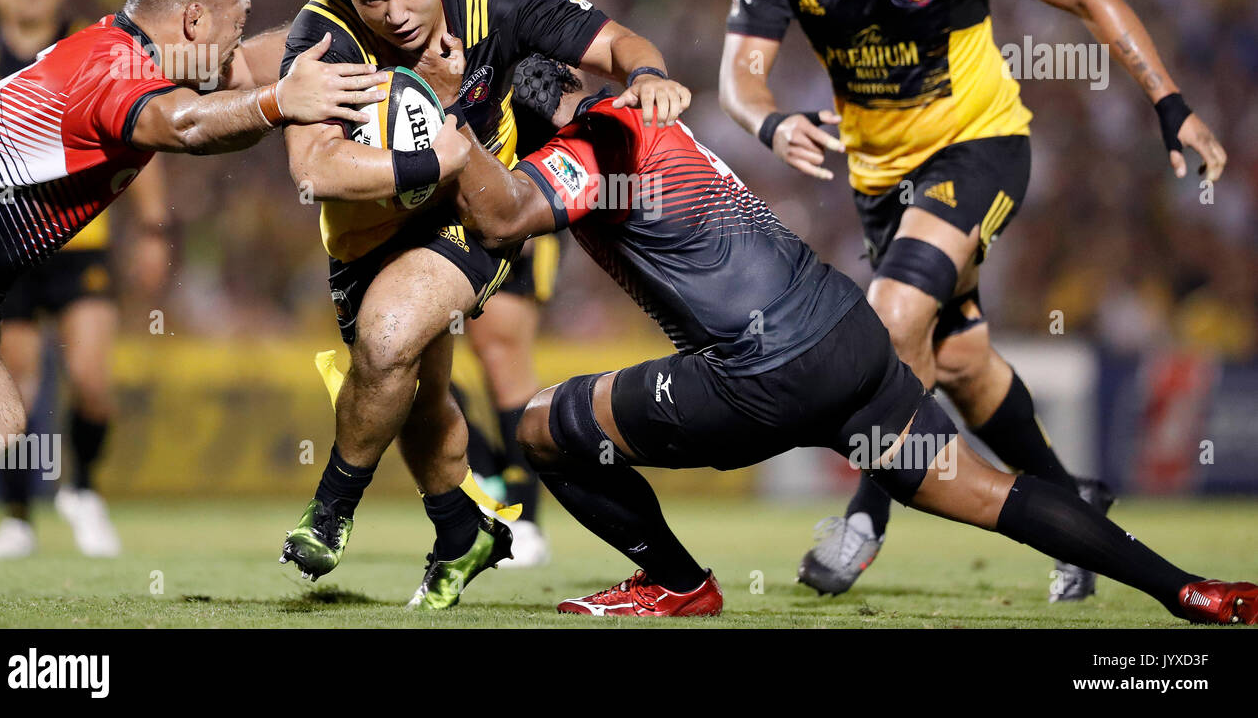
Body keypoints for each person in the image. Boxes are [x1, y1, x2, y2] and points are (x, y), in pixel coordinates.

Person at [444, 66, 1254, 623]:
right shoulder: (642, 112)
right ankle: (1188, 590)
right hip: (849, 338)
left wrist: (451, 135)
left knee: (541, 426)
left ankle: (677, 584)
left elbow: (504, 217)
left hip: (760, 377)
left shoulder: (581, 151)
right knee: (989, 493)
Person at [717, 0, 1227, 600]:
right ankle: (1070, 505)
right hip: (881, 183)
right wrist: (770, 122)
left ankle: (864, 520)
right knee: (959, 361)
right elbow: (740, 77)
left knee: (892, 319)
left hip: (978, 149)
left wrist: (1170, 104)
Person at [274, 0, 690, 609]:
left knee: (387, 336)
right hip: (363, 236)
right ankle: (461, 531)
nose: (395, 14)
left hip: (471, 216)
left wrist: (649, 74)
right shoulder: (322, 34)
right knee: (417, 395)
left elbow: (618, 43)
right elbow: (315, 170)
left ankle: (332, 506)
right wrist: (432, 151)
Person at [0, 0, 387, 499]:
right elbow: (188, 126)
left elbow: (246, 73)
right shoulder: (111, 68)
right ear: (194, 20)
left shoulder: (134, 54)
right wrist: (282, 101)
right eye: (237, 24)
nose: (238, 40)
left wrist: (332, 16)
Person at [0, 0, 169, 559]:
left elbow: (144, 136)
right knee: (17, 387)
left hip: (80, 245)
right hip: (1, 251)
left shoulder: (91, 49)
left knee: (92, 381)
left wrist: (153, 229)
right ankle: (19, 516)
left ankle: (83, 491)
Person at [395, 0, 563, 565]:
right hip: (418, 194)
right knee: (403, 343)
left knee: (499, 347)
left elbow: (550, 73)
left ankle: (526, 513)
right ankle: (491, 481)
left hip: (511, 187)